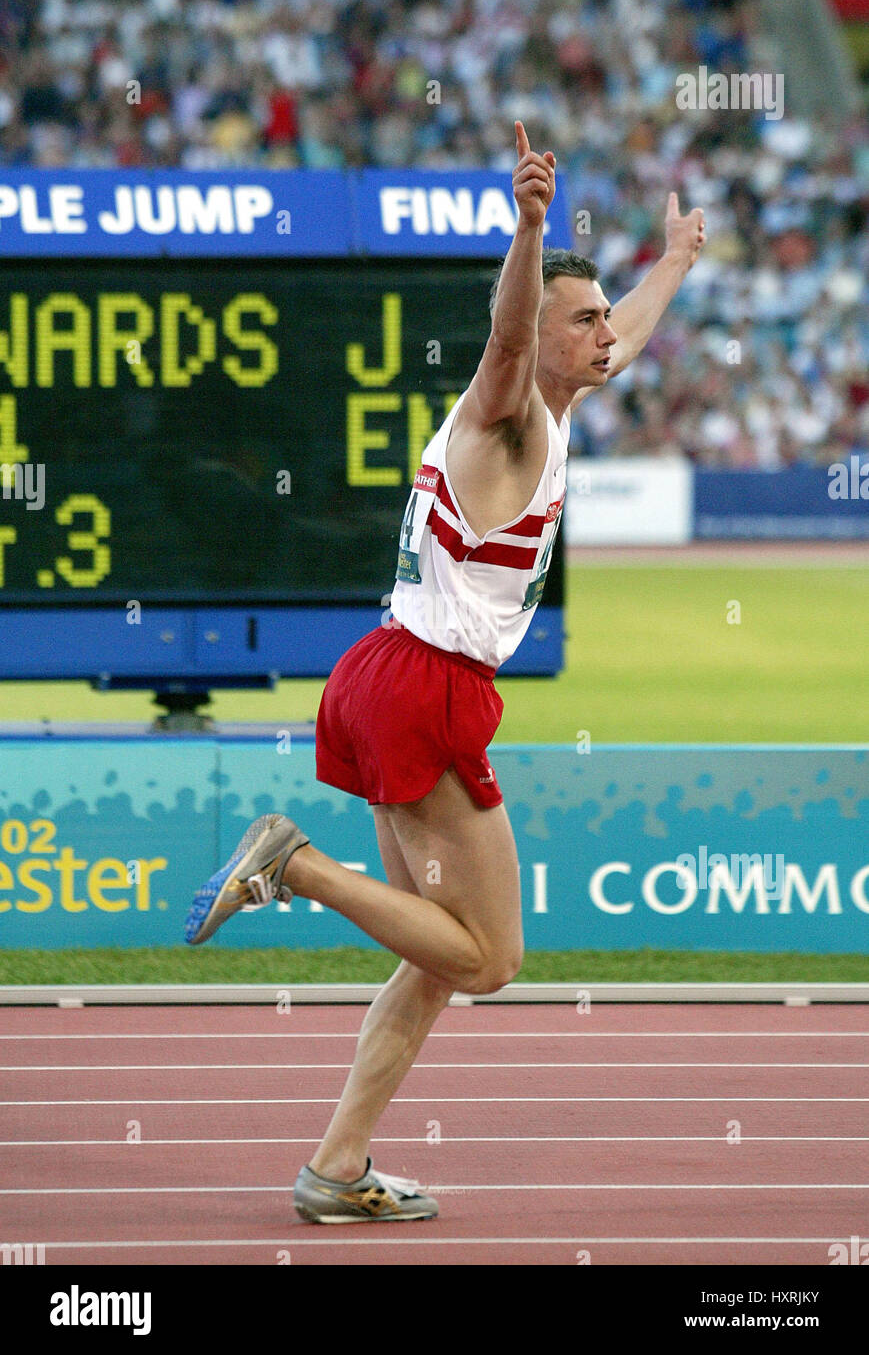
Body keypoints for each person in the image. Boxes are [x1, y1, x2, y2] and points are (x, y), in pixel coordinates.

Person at [184, 122, 706, 1222]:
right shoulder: (506, 413)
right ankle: (299, 868)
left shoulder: (556, 407)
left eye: (605, 313)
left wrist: (674, 263)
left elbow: (610, 336)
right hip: (426, 687)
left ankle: (335, 1166)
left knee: (432, 959)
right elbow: (513, 340)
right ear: (540, 333)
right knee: (493, 957)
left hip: (385, 671)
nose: (605, 332)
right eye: (587, 317)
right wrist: (525, 230)